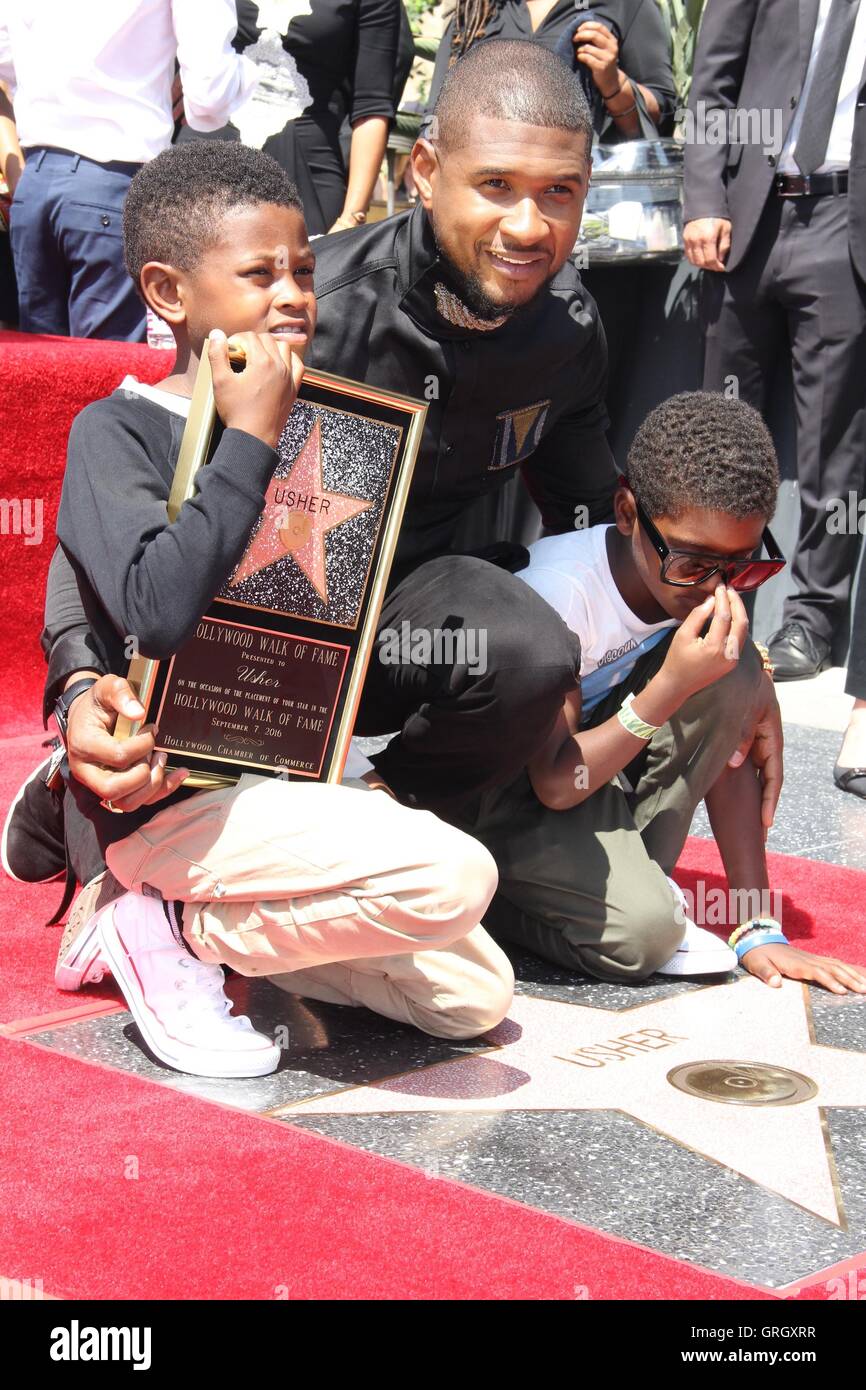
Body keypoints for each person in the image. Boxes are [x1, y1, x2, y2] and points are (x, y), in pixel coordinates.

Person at [6, 41, 781, 912]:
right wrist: (76, 686)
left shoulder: (568, 332)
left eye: (558, 192)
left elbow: (601, 518)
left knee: (524, 646)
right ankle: (96, 808)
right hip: (245, 639)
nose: (529, 225)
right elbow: (116, 496)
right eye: (496, 186)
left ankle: (379, 818)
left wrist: (735, 657)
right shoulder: (305, 308)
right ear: (424, 170)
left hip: (410, 630)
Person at [45, 138, 513, 1079]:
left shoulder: (338, 431)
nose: (294, 293)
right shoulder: (117, 428)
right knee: (455, 874)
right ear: (171, 294)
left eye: (302, 269)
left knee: (472, 999)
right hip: (162, 803)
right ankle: (154, 910)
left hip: (275, 788)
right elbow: (156, 610)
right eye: (259, 274)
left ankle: (193, 930)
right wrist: (252, 433)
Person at [453, 392, 866, 995]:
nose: (717, 587)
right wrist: (671, 686)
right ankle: (486, 892)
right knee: (643, 939)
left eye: (742, 566)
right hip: (503, 790)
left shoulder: (687, 577)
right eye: (697, 562)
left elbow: (728, 757)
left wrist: (755, 923)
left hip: (595, 773)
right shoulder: (562, 594)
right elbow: (552, 782)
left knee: (737, 665)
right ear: (626, 512)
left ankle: (626, 883)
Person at [683, 0, 866, 680]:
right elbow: (713, 81)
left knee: (835, 439)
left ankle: (813, 622)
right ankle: (712, 599)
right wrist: (703, 195)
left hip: (847, 221)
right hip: (747, 217)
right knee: (724, 431)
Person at [0, 0, 259, 340]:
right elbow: (210, 94)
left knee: (39, 379)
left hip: (37, 183)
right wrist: (253, 72)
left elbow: (7, 59)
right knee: (104, 378)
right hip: (110, 183)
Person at [426, 1, 677, 142]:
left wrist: (614, 84)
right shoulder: (476, 10)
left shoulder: (624, 5)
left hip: (582, 206)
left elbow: (663, 112)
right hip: (485, 196)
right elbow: (436, 112)